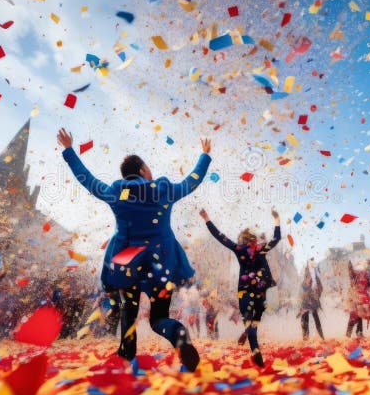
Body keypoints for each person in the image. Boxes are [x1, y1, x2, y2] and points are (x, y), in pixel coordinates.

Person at [59, 128, 210, 371]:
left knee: (128, 309)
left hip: (128, 263)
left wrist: (69, 151)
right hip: (162, 264)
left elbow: (88, 180)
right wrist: (204, 156)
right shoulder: (163, 190)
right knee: (159, 318)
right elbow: (191, 182)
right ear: (141, 170)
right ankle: (178, 334)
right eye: (148, 168)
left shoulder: (116, 192)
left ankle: (127, 355)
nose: (150, 172)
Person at [200, 208, 280, 367]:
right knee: (256, 318)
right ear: (253, 239)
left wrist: (207, 219)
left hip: (244, 290)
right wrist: (277, 219)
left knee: (248, 320)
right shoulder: (261, 249)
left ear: (242, 240)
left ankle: (255, 349)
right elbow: (277, 238)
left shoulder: (239, 249)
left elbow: (220, 237)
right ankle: (250, 334)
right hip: (260, 290)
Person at [346, 261, 370, 337]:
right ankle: (349, 332)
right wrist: (351, 265)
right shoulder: (356, 273)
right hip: (355, 296)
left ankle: (359, 332)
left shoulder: (367, 274)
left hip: (363, 297)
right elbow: (351, 272)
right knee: (354, 314)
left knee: (360, 314)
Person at [299, 262, 325, 340]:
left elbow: (320, 289)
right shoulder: (304, 281)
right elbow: (301, 293)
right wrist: (306, 293)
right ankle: (305, 338)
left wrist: (316, 295)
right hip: (305, 303)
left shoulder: (316, 279)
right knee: (305, 320)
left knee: (316, 319)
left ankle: (321, 337)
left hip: (313, 302)